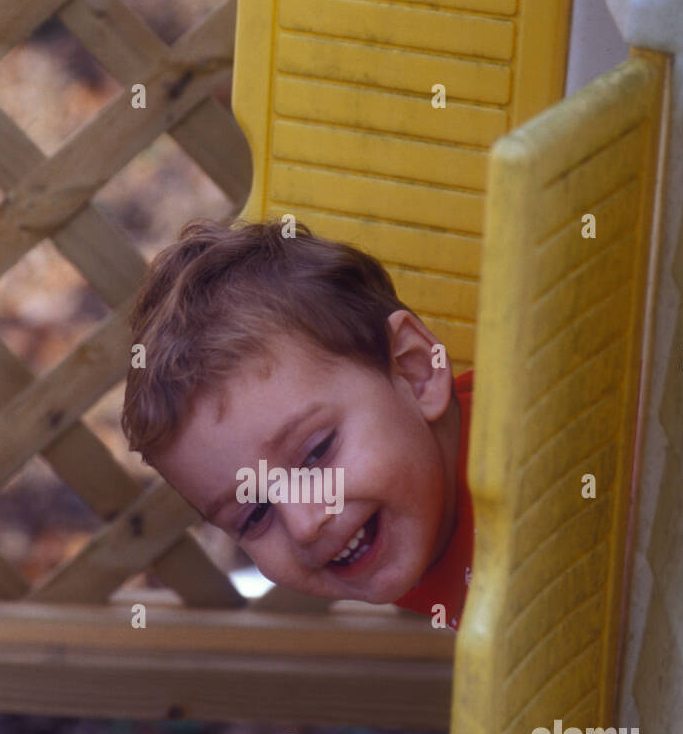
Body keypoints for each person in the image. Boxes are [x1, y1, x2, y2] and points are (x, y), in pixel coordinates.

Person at [121, 217, 475, 628]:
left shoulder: (545, 465)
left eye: (315, 454)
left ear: (415, 371)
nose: (305, 524)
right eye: (254, 514)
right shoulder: (414, 524)